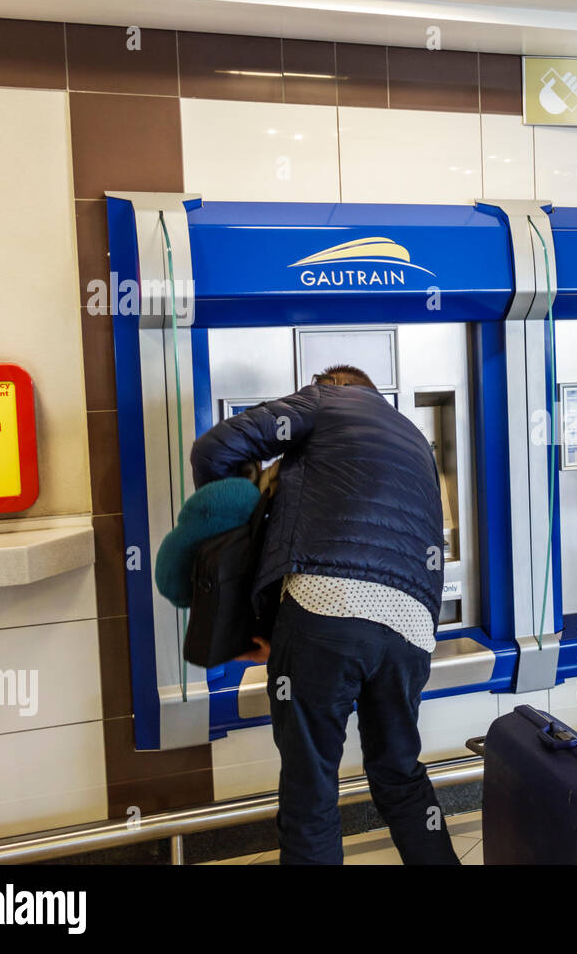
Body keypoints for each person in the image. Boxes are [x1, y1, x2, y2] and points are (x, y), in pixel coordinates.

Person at [190, 364, 460, 865]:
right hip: (414, 626)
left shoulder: (324, 400)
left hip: (325, 606)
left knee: (311, 789)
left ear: (328, 384)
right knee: (400, 775)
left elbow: (214, 449)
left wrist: (231, 536)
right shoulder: (417, 439)